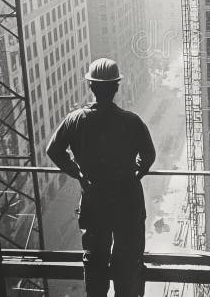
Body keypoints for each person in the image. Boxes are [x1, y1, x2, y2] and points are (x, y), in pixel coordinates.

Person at [47, 58, 156, 297]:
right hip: (127, 203)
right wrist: (134, 173)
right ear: (116, 88)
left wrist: (77, 172)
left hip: (95, 202)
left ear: (91, 87)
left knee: (95, 268)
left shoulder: (75, 120)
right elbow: (148, 156)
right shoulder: (132, 121)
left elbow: (53, 151)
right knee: (127, 267)